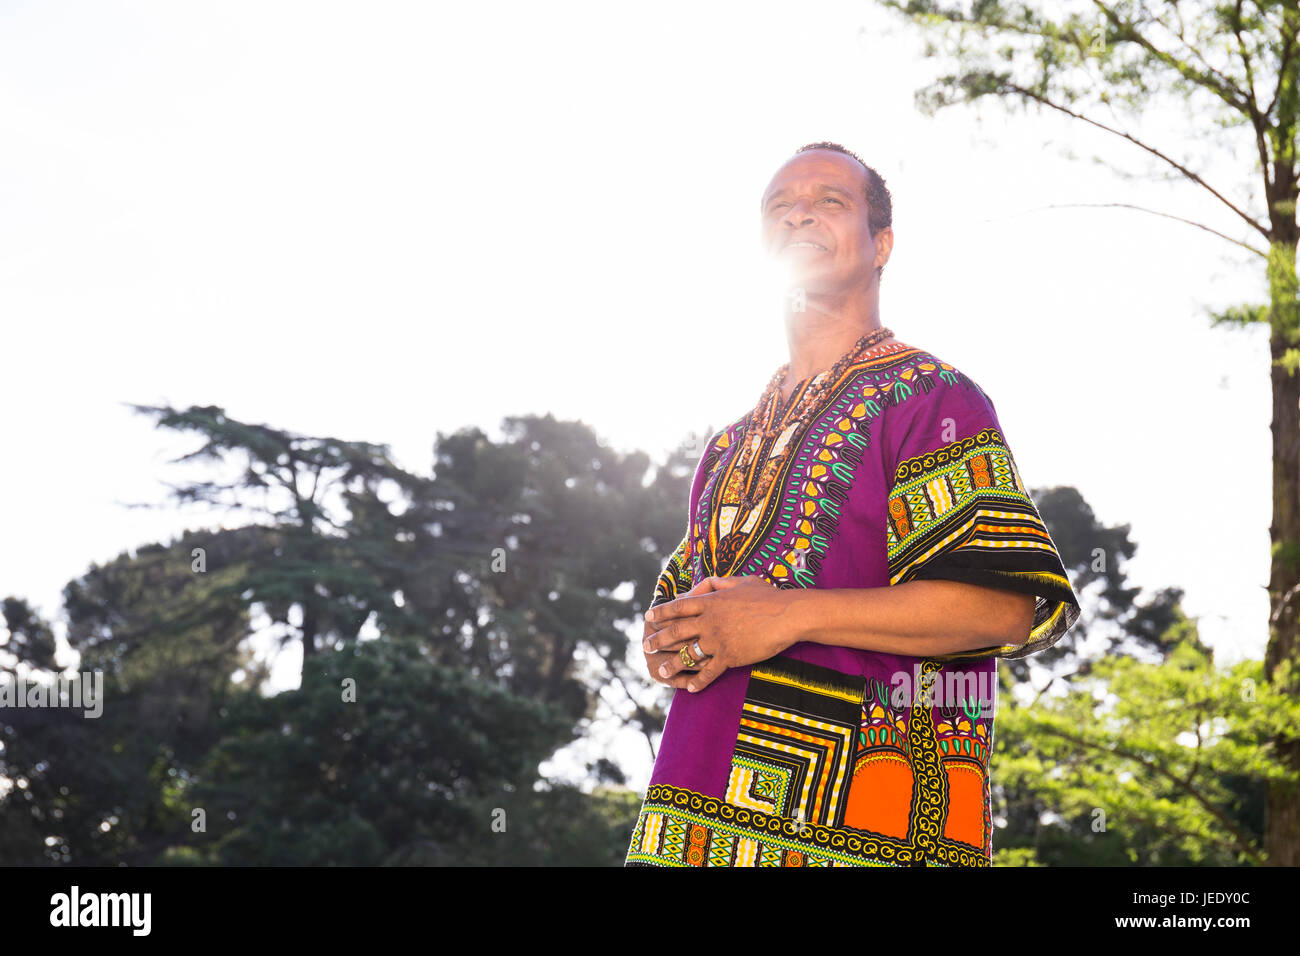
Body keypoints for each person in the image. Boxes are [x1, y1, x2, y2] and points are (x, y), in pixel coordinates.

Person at [624, 142, 1081, 867]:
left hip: (861, 827)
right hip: (688, 822)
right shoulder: (729, 444)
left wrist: (789, 614)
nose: (799, 211)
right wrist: (672, 644)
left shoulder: (931, 397)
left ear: (882, 246)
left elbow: (1005, 608)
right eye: (780, 205)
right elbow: (696, 627)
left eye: (830, 200)